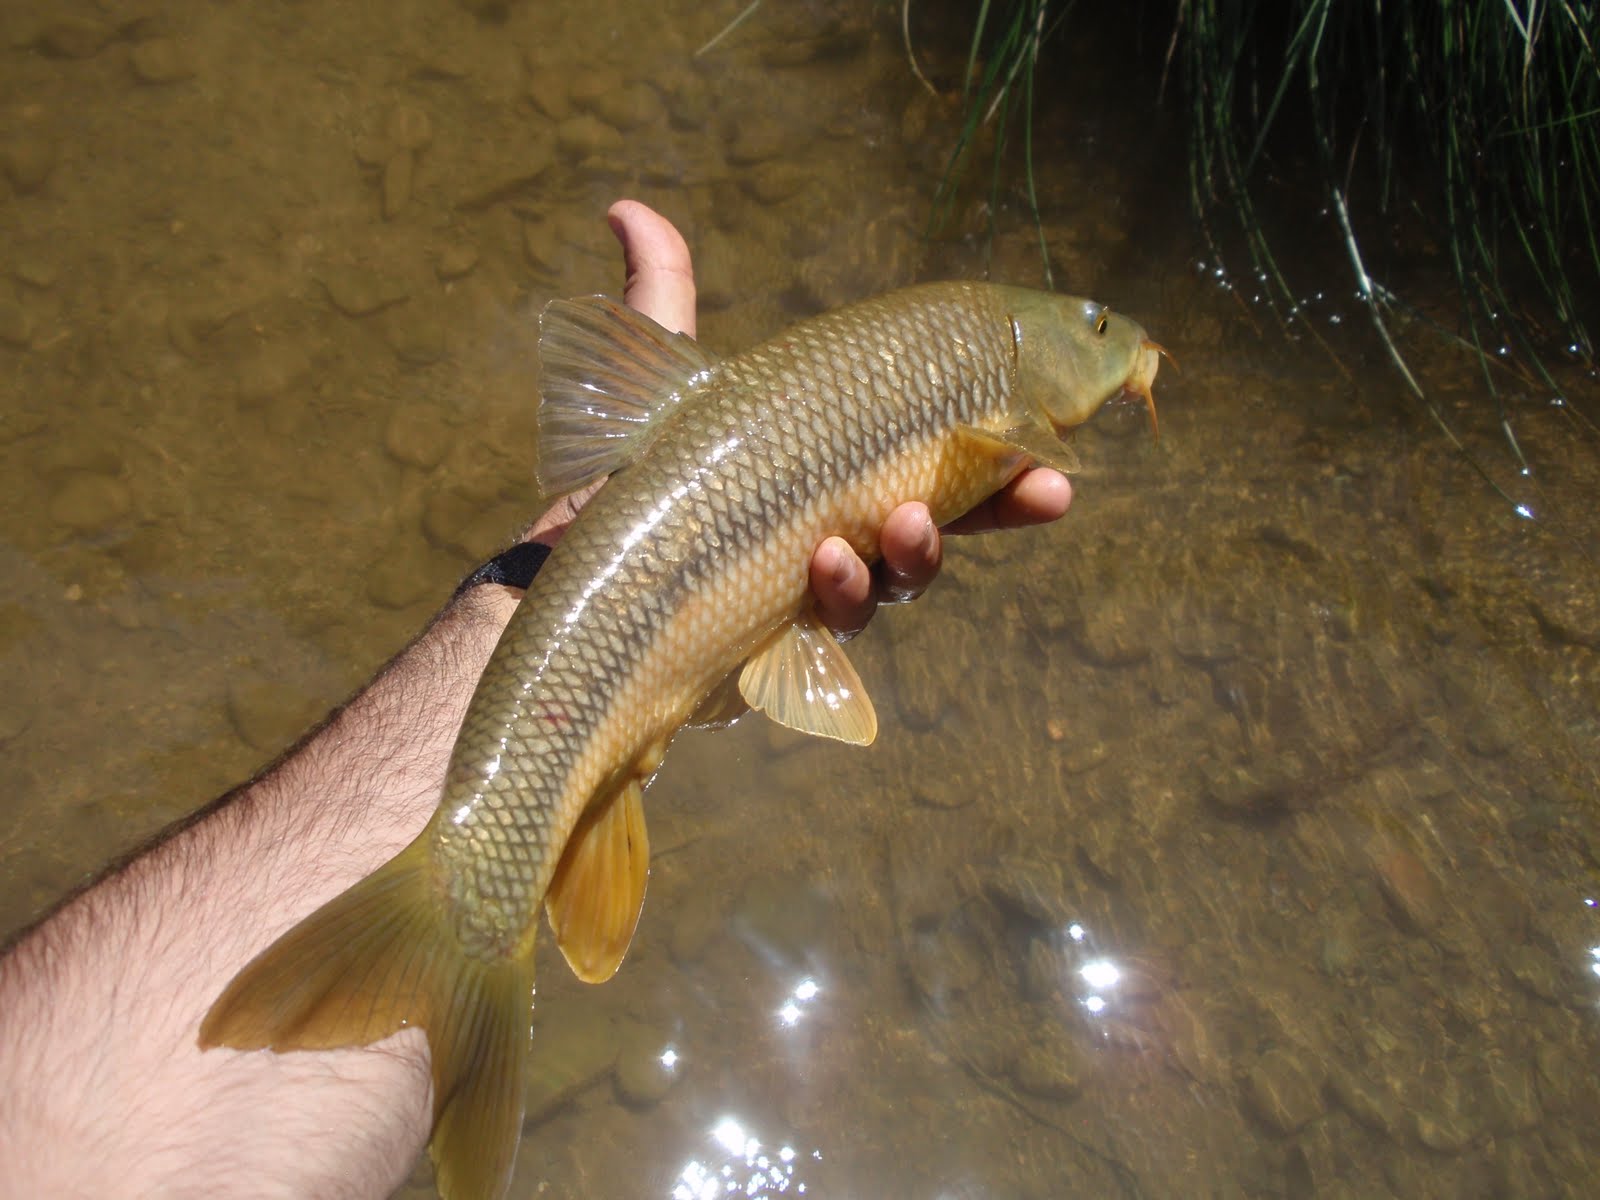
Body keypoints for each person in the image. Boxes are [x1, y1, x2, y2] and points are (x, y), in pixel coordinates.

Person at [0, 200, 1072, 1196]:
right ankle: (464, 929)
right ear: (1046, 349)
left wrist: (567, 575)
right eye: (1100, 325)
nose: (1115, 343)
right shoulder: (997, 366)